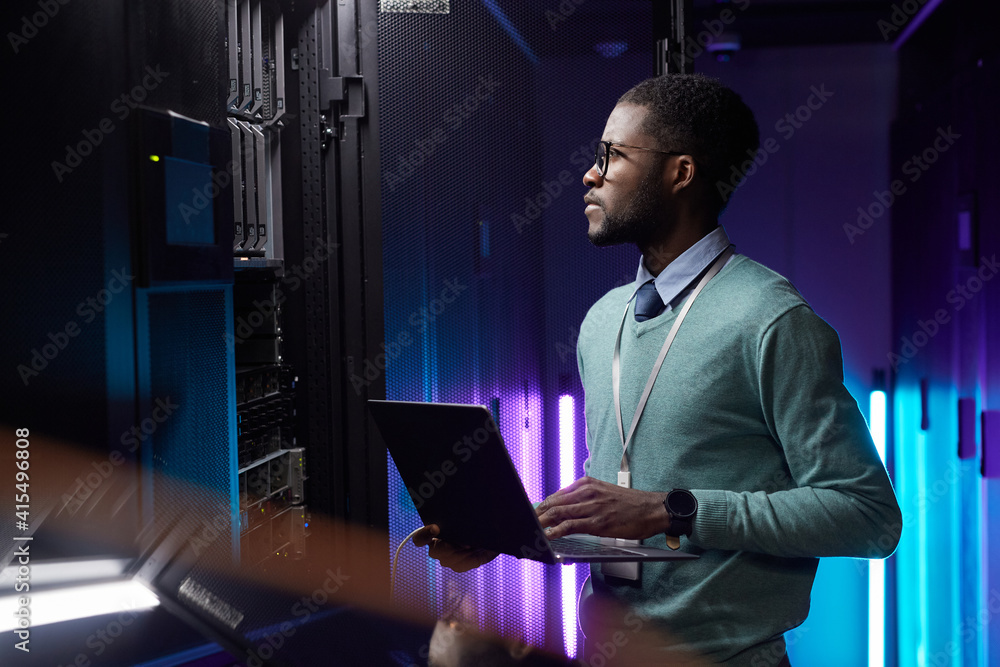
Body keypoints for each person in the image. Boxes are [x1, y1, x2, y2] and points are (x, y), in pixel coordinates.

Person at [415, 73, 902, 666]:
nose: (590, 175)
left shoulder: (773, 320)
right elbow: (617, 504)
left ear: (681, 173)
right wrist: (505, 533)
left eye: (611, 155)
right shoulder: (602, 321)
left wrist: (673, 510)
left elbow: (868, 515)